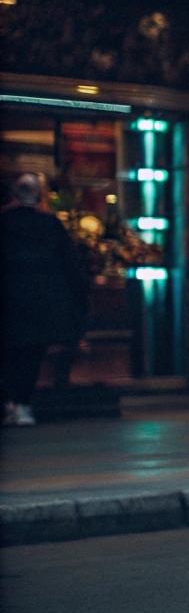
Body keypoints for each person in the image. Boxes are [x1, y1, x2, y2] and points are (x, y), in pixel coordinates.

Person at [1, 174, 89, 427]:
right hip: (41, 301)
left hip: (10, 300)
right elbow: (70, 266)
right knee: (31, 354)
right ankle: (22, 403)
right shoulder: (50, 226)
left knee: (11, 353)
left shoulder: (5, 224)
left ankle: (11, 400)